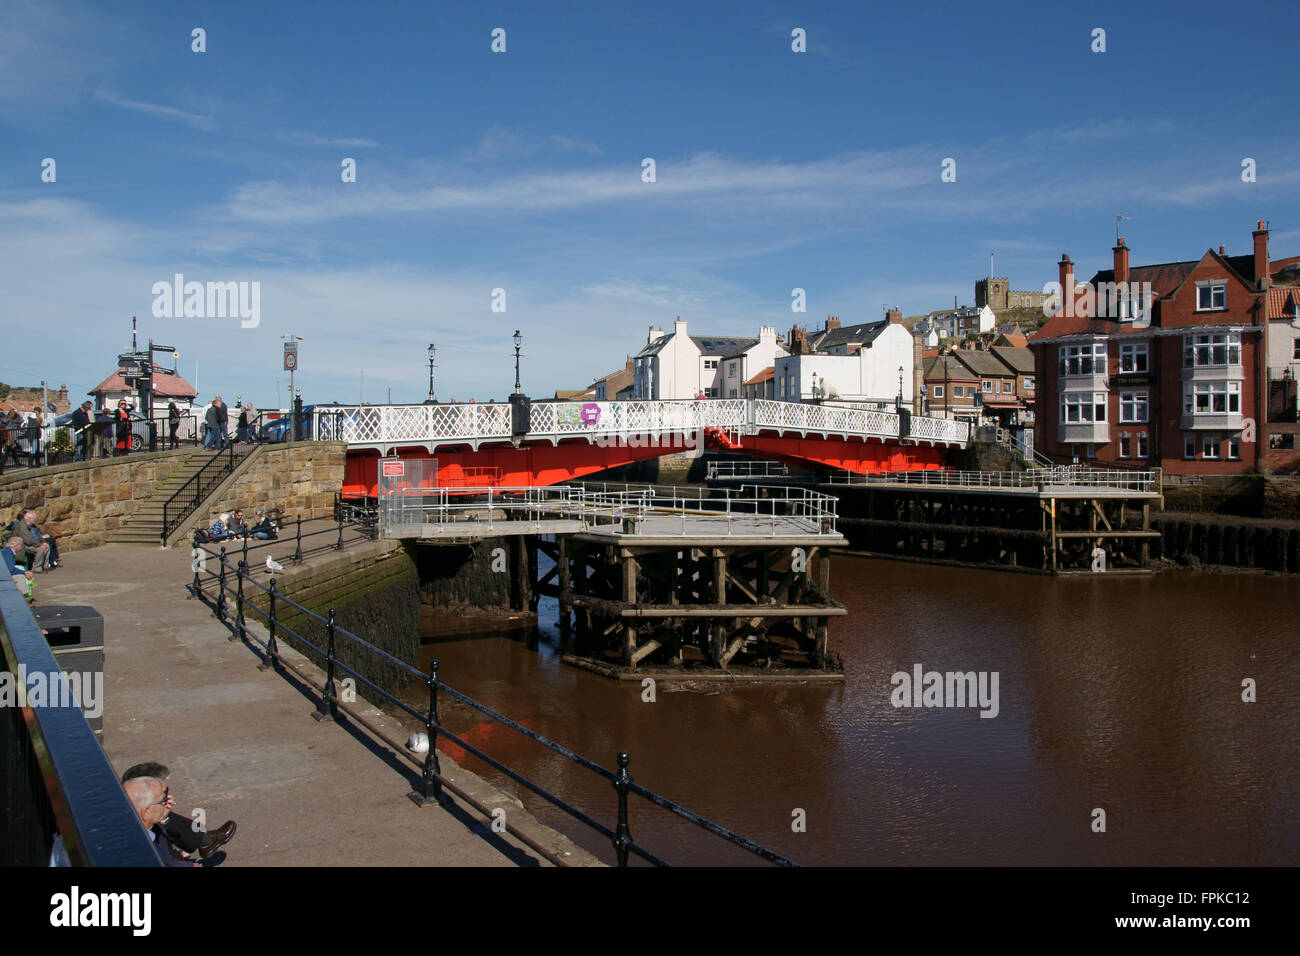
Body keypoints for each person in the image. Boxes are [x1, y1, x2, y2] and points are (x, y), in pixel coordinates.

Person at [121, 762, 236, 861]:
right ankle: (204, 840)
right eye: (164, 795)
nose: (168, 798)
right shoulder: (142, 841)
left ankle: (204, 840)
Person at [122, 776, 194, 867]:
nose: (168, 802)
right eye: (163, 801)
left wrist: (161, 819)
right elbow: (167, 862)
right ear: (146, 812)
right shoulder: (144, 850)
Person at [2, 536, 34, 603]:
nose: (21, 547)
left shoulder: (6, 550)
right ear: (17, 545)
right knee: (20, 577)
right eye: (21, 545)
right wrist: (24, 573)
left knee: (21, 571)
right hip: (3, 576)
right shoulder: (8, 553)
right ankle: (22, 599)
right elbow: (11, 570)